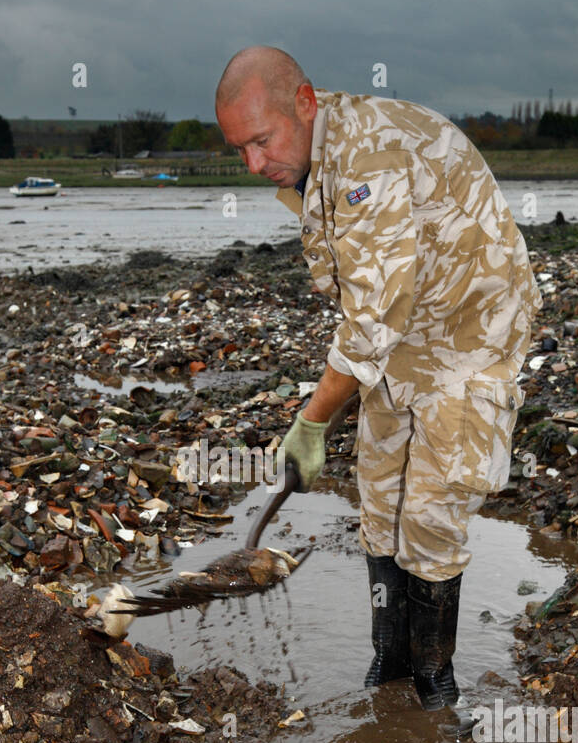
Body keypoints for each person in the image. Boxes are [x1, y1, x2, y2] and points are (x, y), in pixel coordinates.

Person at [215, 46, 540, 708]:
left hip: (470, 335)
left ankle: (432, 686)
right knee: (381, 503)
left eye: (260, 141)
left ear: (302, 103)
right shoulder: (314, 153)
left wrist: (311, 421)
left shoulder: (369, 156)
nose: (253, 165)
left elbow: (370, 316)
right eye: (238, 150)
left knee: (428, 512)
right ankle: (386, 669)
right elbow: (369, 307)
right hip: (403, 339)